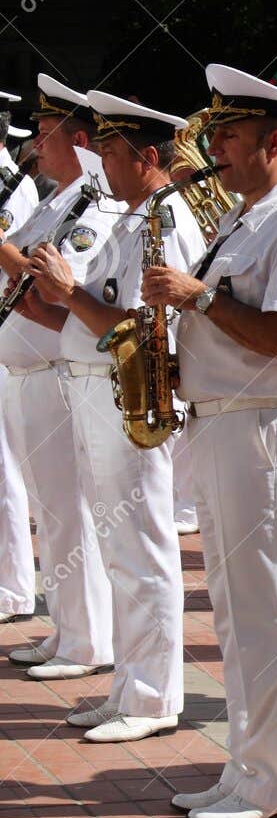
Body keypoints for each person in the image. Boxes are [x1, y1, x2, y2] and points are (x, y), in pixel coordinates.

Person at [141, 63, 277, 818]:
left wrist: (199, 298)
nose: (216, 149)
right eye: (218, 134)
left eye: (230, 135)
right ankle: (246, 769)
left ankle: (271, 784)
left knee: (266, 612)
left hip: (262, 426)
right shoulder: (246, 215)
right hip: (225, 423)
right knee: (236, 613)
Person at [28, 93, 205, 741]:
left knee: (142, 550)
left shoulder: (165, 220)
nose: (98, 162)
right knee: (117, 549)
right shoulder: (132, 220)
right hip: (97, 392)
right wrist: (55, 296)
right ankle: (130, 685)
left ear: (147, 156)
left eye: (108, 151)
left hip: (128, 395)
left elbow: (137, 323)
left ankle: (153, 697)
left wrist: (67, 291)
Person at [0, 77, 118, 681]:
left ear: (79, 142)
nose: (35, 147)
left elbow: (51, 284)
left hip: (55, 370)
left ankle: (88, 640)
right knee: (51, 509)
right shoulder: (58, 200)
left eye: (46, 135)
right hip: (29, 370)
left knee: (70, 508)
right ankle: (68, 628)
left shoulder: (94, 205)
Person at [0, 92, 40, 626]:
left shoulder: (15, 185)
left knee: (4, 468)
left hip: (14, 334)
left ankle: (12, 588)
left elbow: (21, 265)